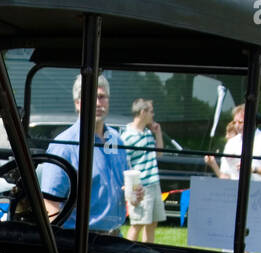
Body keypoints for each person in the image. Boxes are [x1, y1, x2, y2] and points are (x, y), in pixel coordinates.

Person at [38, 74, 128, 233]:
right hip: (81, 242)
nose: (98, 103)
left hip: (115, 238)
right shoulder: (65, 145)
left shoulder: (116, 140)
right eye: (92, 97)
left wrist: (133, 191)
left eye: (102, 97)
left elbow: (123, 185)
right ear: (78, 103)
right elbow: (50, 204)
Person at [120, 98, 167, 243]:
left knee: (152, 223)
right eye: (151, 112)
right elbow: (122, 163)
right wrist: (129, 187)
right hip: (140, 187)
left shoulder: (147, 133)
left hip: (154, 183)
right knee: (138, 224)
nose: (153, 115)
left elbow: (159, 153)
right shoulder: (127, 136)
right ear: (142, 112)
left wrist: (158, 133)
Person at [217, 104, 261, 181]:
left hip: (260, 190)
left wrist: (253, 169)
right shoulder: (231, 143)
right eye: (235, 122)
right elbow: (225, 174)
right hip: (233, 190)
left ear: (251, 121)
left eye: (240, 122)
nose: (237, 126)